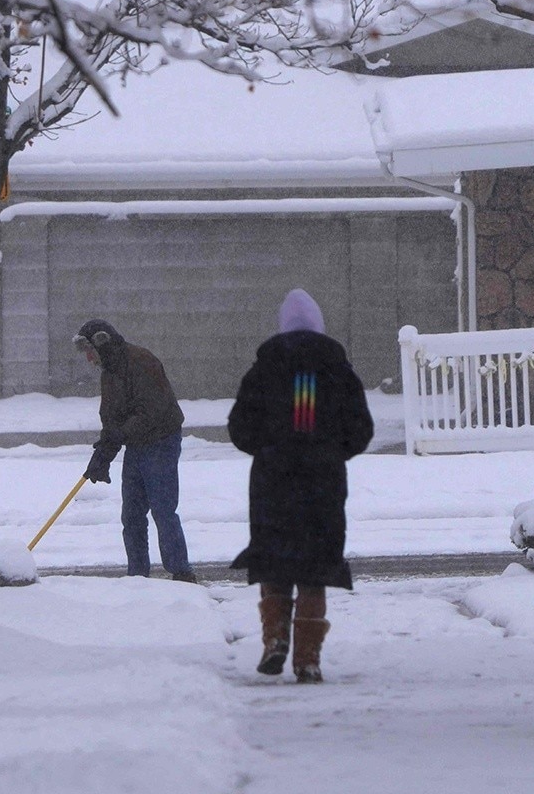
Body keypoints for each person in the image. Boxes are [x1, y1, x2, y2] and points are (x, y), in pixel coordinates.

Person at [226, 289, 374, 682]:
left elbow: (239, 428)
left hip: (272, 484)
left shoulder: (263, 370)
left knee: (274, 562)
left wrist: (271, 449)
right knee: (314, 568)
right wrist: (329, 451)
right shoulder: (339, 371)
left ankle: (275, 640)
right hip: (322, 485)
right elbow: (360, 429)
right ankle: (307, 660)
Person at [76, 319, 196, 581]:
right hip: (136, 444)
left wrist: (120, 435)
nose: (88, 359)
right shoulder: (109, 371)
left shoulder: (142, 361)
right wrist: (103, 455)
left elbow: (151, 410)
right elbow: (111, 417)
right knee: (131, 515)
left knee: (162, 510)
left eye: (90, 352)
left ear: (102, 344)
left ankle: (181, 572)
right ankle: (138, 577)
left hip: (161, 441)